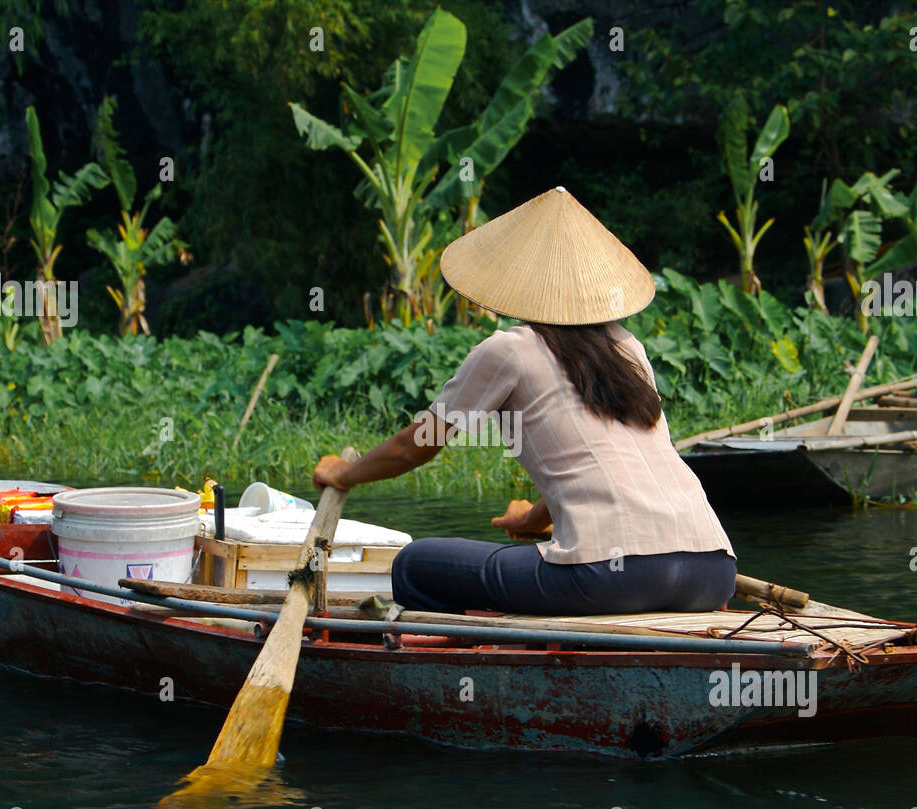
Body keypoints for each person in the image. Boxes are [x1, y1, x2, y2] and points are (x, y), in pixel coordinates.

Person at [312, 186, 735, 616]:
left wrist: (345, 473)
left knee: (413, 564)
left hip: (609, 576)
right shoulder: (628, 347)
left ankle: (474, 657)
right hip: (713, 571)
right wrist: (530, 522)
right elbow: (607, 463)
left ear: (523, 284)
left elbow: (414, 446)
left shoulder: (509, 350)